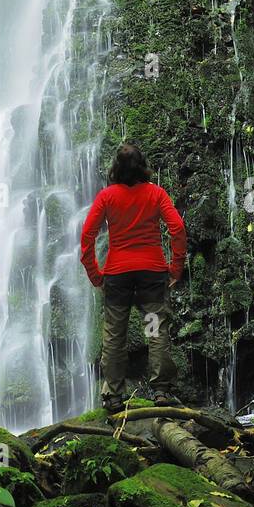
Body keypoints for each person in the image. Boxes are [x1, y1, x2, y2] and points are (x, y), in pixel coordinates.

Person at [80, 141, 186, 413]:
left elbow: (87, 235)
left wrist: (95, 274)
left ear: (115, 168)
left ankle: (113, 395)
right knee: (154, 329)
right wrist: (176, 267)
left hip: (118, 276)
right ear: (143, 167)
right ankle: (161, 390)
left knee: (115, 335)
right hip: (151, 275)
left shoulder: (107, 196)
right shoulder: (156, 194)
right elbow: (177, 228)